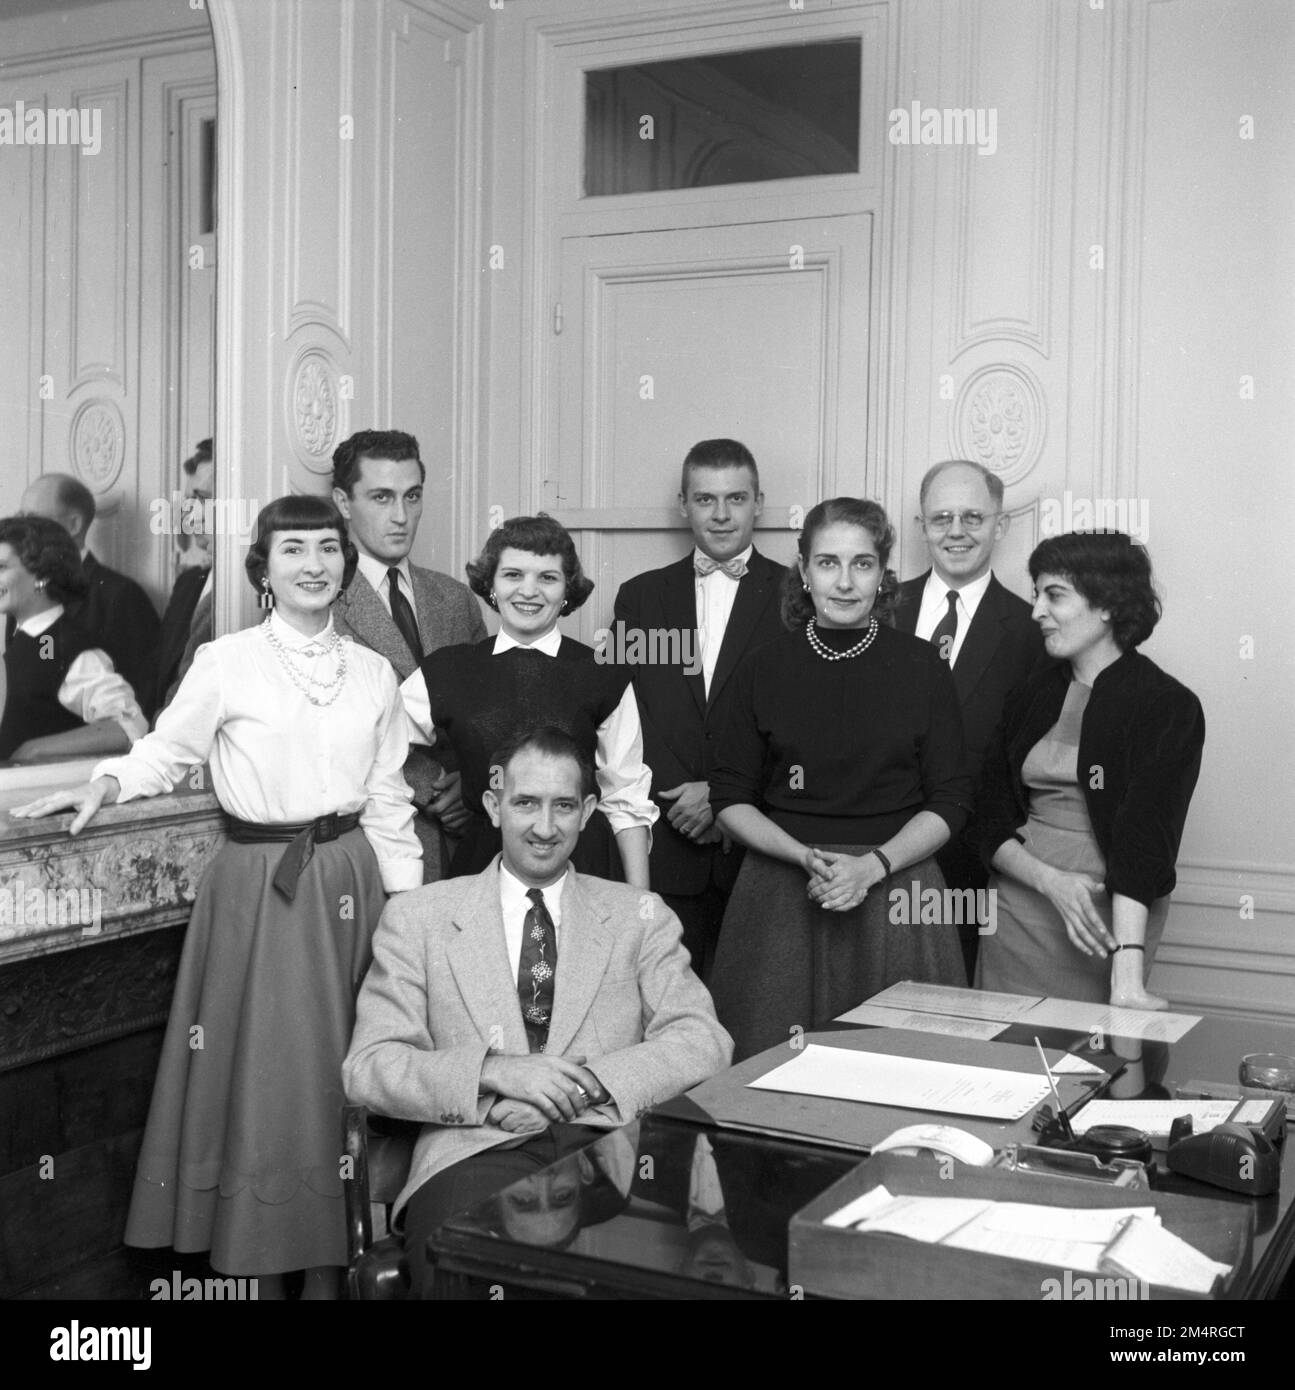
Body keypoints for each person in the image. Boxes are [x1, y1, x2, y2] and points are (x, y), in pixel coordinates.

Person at [11, 495, 422, 1299]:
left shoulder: (375, 672)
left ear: (345, 563)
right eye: (293, 550)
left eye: (328, 549)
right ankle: (263, 1267)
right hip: (259, 894)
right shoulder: (226, 661)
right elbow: (164, 751)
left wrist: (407, 918)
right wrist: (103, 782)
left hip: (353, 884)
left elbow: (390, 803)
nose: (314, 564)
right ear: (262, 570)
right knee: (272, 1083)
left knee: (348, 1083)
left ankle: (333, 1273)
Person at [343, 725, 732, 1299]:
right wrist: (494, 1072)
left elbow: (704, 1039)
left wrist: (580, 1088)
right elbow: (370, 1066)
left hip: (604, 1150)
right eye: (526, 803)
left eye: (564, 806)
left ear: (589, 811)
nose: (545, 827)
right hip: (470, 1151)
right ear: (493, 806)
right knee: (466, 1276)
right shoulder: (419, 918)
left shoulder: (637, 915)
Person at [707, 497, 973, 1062]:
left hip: (898, 894)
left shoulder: (924, 666)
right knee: (766, 1083)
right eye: (828, 563)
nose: (846, 581)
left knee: (903, 1081)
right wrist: (805, 857)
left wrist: (872, 867)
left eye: (863, 564)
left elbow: (950, 800)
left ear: (883, 574)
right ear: (803, 572)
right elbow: (730, 798)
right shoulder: (762, 667)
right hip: (782, 894)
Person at [976, 531, 1205, 1007]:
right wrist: (1050, 882)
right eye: (1036, 594)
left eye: (1054, 595)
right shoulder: (1028, 697)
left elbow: (1145, 843)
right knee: (1005, 1066)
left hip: (1109, 925)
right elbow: (984, 818)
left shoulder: (1167, 706)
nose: (1036, 610)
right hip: (1018, 908)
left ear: (1108, 604)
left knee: (1093, 1070)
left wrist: (1127, 981)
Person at [401, 513, 657, 887]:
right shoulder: (447, 670)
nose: (529, 590)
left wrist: (639, 902)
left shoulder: (603, 673)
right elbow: (374, 751)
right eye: (513, 575)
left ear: (567, 589)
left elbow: (626, 797)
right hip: (483, 865)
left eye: (547, 578)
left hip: (582, 867)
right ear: (490, 584)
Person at [613, 439, 786, 980]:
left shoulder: (797, 595)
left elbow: (801, 724)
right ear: (683, 503)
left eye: (736, 498)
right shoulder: (639, 597)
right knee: (663, 1006)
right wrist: (683, 795)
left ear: (759, 502)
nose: (721, 514)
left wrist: (725, 795)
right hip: (666, 838)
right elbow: (626, 714)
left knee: (754, 1008)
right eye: (706, 499)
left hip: (762, 846)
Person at [893, 460, 1044, 979]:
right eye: (941, 518)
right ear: (922, 527)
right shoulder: (877, 610)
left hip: (972, 869)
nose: (956, 532)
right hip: (871, 853)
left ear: (999, 526)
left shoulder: (1033, 632)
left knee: (954, 1017)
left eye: (973, 517)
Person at [331, 429, 488, 880]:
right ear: (344, 503)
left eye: (412, 496)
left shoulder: (455, 597)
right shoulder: (322, 602)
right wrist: (434, 792)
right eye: (381, 497)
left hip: (473, 834)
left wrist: (474, 786)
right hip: (376, 839)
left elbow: (491, 709)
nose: (401, 516)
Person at [0, 515, 147, 761]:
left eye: (2, 567)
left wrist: (35, 749)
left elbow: (130, 726)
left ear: (42, 576)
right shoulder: (22, 642)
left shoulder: (71, 647)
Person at [18, 473, 160, 709]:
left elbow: (143, 695)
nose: (23, 532)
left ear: (73, 524)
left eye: (33, 520)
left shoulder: (121, 596)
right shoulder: (24, 593)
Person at [152, 440, 215, 718]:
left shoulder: (263, 588)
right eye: (189, 501)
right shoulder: (188, 583)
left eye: (202, 499)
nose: (190, 514)